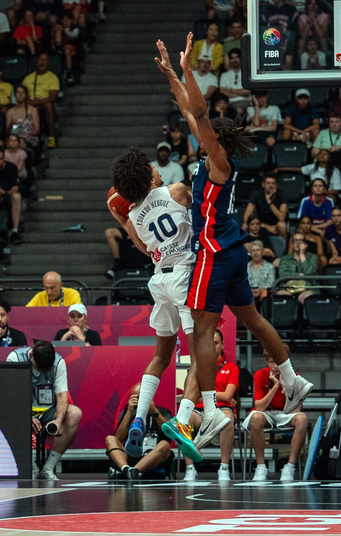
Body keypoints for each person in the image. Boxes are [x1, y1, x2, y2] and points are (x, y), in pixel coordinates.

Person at [156, 33, 312, 457]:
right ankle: (292, 375)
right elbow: (190, 111)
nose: (198, 133)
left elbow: (200, 112)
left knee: (202, 329)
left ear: (215, 140)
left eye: (205, 135)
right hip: (233, 251)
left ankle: (207, 411)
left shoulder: (220, 161)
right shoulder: (211, 157)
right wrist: (172, 74)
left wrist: (190, 71)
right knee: (253, 319)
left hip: (215, 252)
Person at [109, 147, 206, 460]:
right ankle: (183, 420)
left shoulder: (135, 216)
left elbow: (143, 248)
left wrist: (120, 216)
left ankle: (138, 418)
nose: (158, 169)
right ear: (149, 178)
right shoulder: (176, 190)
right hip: (183, 274)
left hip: (159, 281)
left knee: (161, 356)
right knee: (200, 352)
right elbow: (204, 207)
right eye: (152, 167)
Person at [6, 339, 83, 480]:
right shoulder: (14, 359)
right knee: (8, 415)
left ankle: (48, 468)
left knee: (75, 413)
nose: (44, 372)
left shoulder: (58, 362)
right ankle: (31, 466)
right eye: (40, 368)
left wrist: (58, 421)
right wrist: (26, 416)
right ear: (31, 356)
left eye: (47, 369)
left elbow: (61, 395)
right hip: (22, 409)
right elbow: (11, 396)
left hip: (48, 410)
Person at [245, 344, 308, 482]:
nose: (276, 366)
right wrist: (275, 387)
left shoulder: (294, 377)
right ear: (267, 362)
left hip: (285, 413)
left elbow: (296, 410)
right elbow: (259, 407)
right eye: (272, 362)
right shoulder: (260, 375)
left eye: (280, 362)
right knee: (256, 417)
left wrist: (286, 386)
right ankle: (261, 467)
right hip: (266, 413)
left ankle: (290, 466)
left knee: (302, 419)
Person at [183, 329, 239, 482]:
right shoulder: (195, 369)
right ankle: (190, 469)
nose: (212, 346)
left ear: (222, 345)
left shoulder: (232, 368)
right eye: (208, 343)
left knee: (227, 421)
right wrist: (218, 395)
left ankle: (223, 468)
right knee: (182, 421)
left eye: (215, 343)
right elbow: (188, 395)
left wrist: (201, 394)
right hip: (199, 411)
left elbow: (228, 396)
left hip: (221, 409)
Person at [106, 383, 174, 480]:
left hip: (153, 456)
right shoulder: (128, 411)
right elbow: (119, 438)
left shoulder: (162, 411)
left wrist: (154, 412)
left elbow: (170, 434)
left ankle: (134, 471)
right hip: (130, 455)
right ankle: (126, 470)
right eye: (135, 398)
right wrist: (129, 412)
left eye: (141, 397)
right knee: (110, 439)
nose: (138, 401)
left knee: (165, 445)